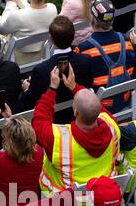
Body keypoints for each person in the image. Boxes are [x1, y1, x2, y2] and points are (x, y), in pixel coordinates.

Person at [34, 62, 122, 192]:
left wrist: (52, 88)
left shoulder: (59, 139)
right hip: (102, 196)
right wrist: (74, 86)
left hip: (69, 204)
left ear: (75, 112)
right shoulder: (112, 124)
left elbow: (39, 120)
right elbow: (94, 106)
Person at [73, 0, 136, 108]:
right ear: (112, 20)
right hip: (124, 98)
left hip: (98, 106)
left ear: (92, 19)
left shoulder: (83, 49)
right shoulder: (126, 41)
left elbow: (80, 81)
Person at [19, 15, 78, 116]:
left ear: (51, 39)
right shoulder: (85, 61)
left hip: (50, 120)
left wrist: (27, 89)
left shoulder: (41, 70)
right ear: (73, 36)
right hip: (76, 114)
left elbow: (29, 102)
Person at [0, 0, 57, 65]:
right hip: (40, 54)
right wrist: (21, 0)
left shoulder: (17, 15)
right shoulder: (53, 9)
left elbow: (2, 29)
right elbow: (33, 13)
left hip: (14, 57)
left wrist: (10, 4)